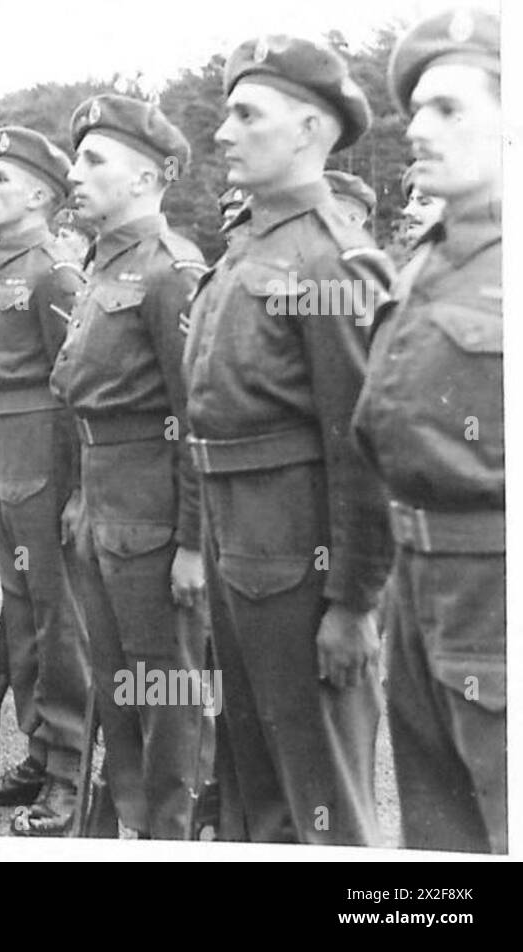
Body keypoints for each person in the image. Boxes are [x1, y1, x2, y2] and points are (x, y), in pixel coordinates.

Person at [182, 37, 393, 845]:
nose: (224, 133)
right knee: (256, 790)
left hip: (298, 565)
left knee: (323, 802)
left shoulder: (329, 258)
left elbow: (359, 445)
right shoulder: (250, 248)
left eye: (246, 115)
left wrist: (352, 602)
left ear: (308, 130)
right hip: (241, 550)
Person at [353, 8, 503, 854]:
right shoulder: (423, 265)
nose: (418, 126)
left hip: (494, 592)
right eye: (416, 108)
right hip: (417, 585)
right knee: (440, 848)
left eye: (450, 108)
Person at [50, 96, 211, 839]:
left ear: (148, 178)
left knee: (167, 695)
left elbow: (196, 417)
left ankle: (170, 835)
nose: (74, 175)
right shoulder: (102, 263)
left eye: (93, 161)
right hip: (103, 505)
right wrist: (81, 496)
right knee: (118, 691)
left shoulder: (170, 269)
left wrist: (190, 543)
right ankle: (132, 829)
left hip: (152, 516)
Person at [0, 127, 91, 834]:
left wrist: (78, 490)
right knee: (22, 616)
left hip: (44, 457)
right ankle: (39, 746)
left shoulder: (52, 272)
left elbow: (76, 390)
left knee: (58, 618)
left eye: (3, 180)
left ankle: (69, 770)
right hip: (4, 453)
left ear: (40, 195)